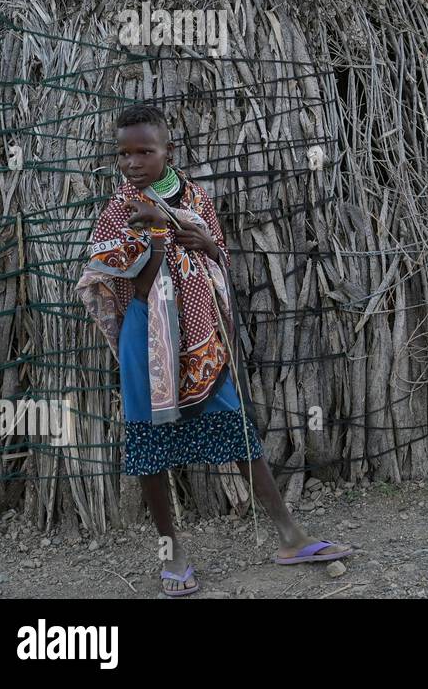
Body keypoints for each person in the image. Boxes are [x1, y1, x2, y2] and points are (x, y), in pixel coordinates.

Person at [77, 103, 352, 596]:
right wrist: (159, 233)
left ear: (169, 151)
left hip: (200, 336)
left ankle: (290, 536)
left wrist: (201, 240)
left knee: (235, 428)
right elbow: (124, 283)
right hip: (149, 336)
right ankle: (173, 553)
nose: (133, 162)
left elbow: (217, 257)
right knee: (148, 440)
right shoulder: (120, 208)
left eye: (145, 151)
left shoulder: (197, 198)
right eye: (124, 154)